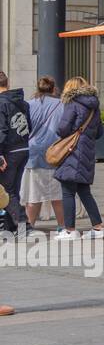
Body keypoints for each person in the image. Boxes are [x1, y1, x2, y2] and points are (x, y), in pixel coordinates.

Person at [53, 78, 104, 239]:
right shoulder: (94, 107)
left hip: (72, 152)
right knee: (84, 191)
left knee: (68, 191)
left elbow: (62, 129)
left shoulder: (72, 103)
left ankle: (70, 230)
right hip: (87, 153)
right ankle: (98, 228)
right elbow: (100, 132)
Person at [21, 76, 66, 235]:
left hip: (32, 153)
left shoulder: (28, 105)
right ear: (54, 89)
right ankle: (62, 226)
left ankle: (28, 226)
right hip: (55, 154)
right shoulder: (61, 105)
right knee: (57, 195)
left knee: (33, 196)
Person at [0, 72, 33, 235]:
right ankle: (10, 226)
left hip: (9, 152)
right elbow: (29, 127)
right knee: (13, 188)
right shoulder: (23, 102)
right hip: (24, 148)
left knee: (6, 190)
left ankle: (23, 224)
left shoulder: (1, 103)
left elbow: (1, 130)